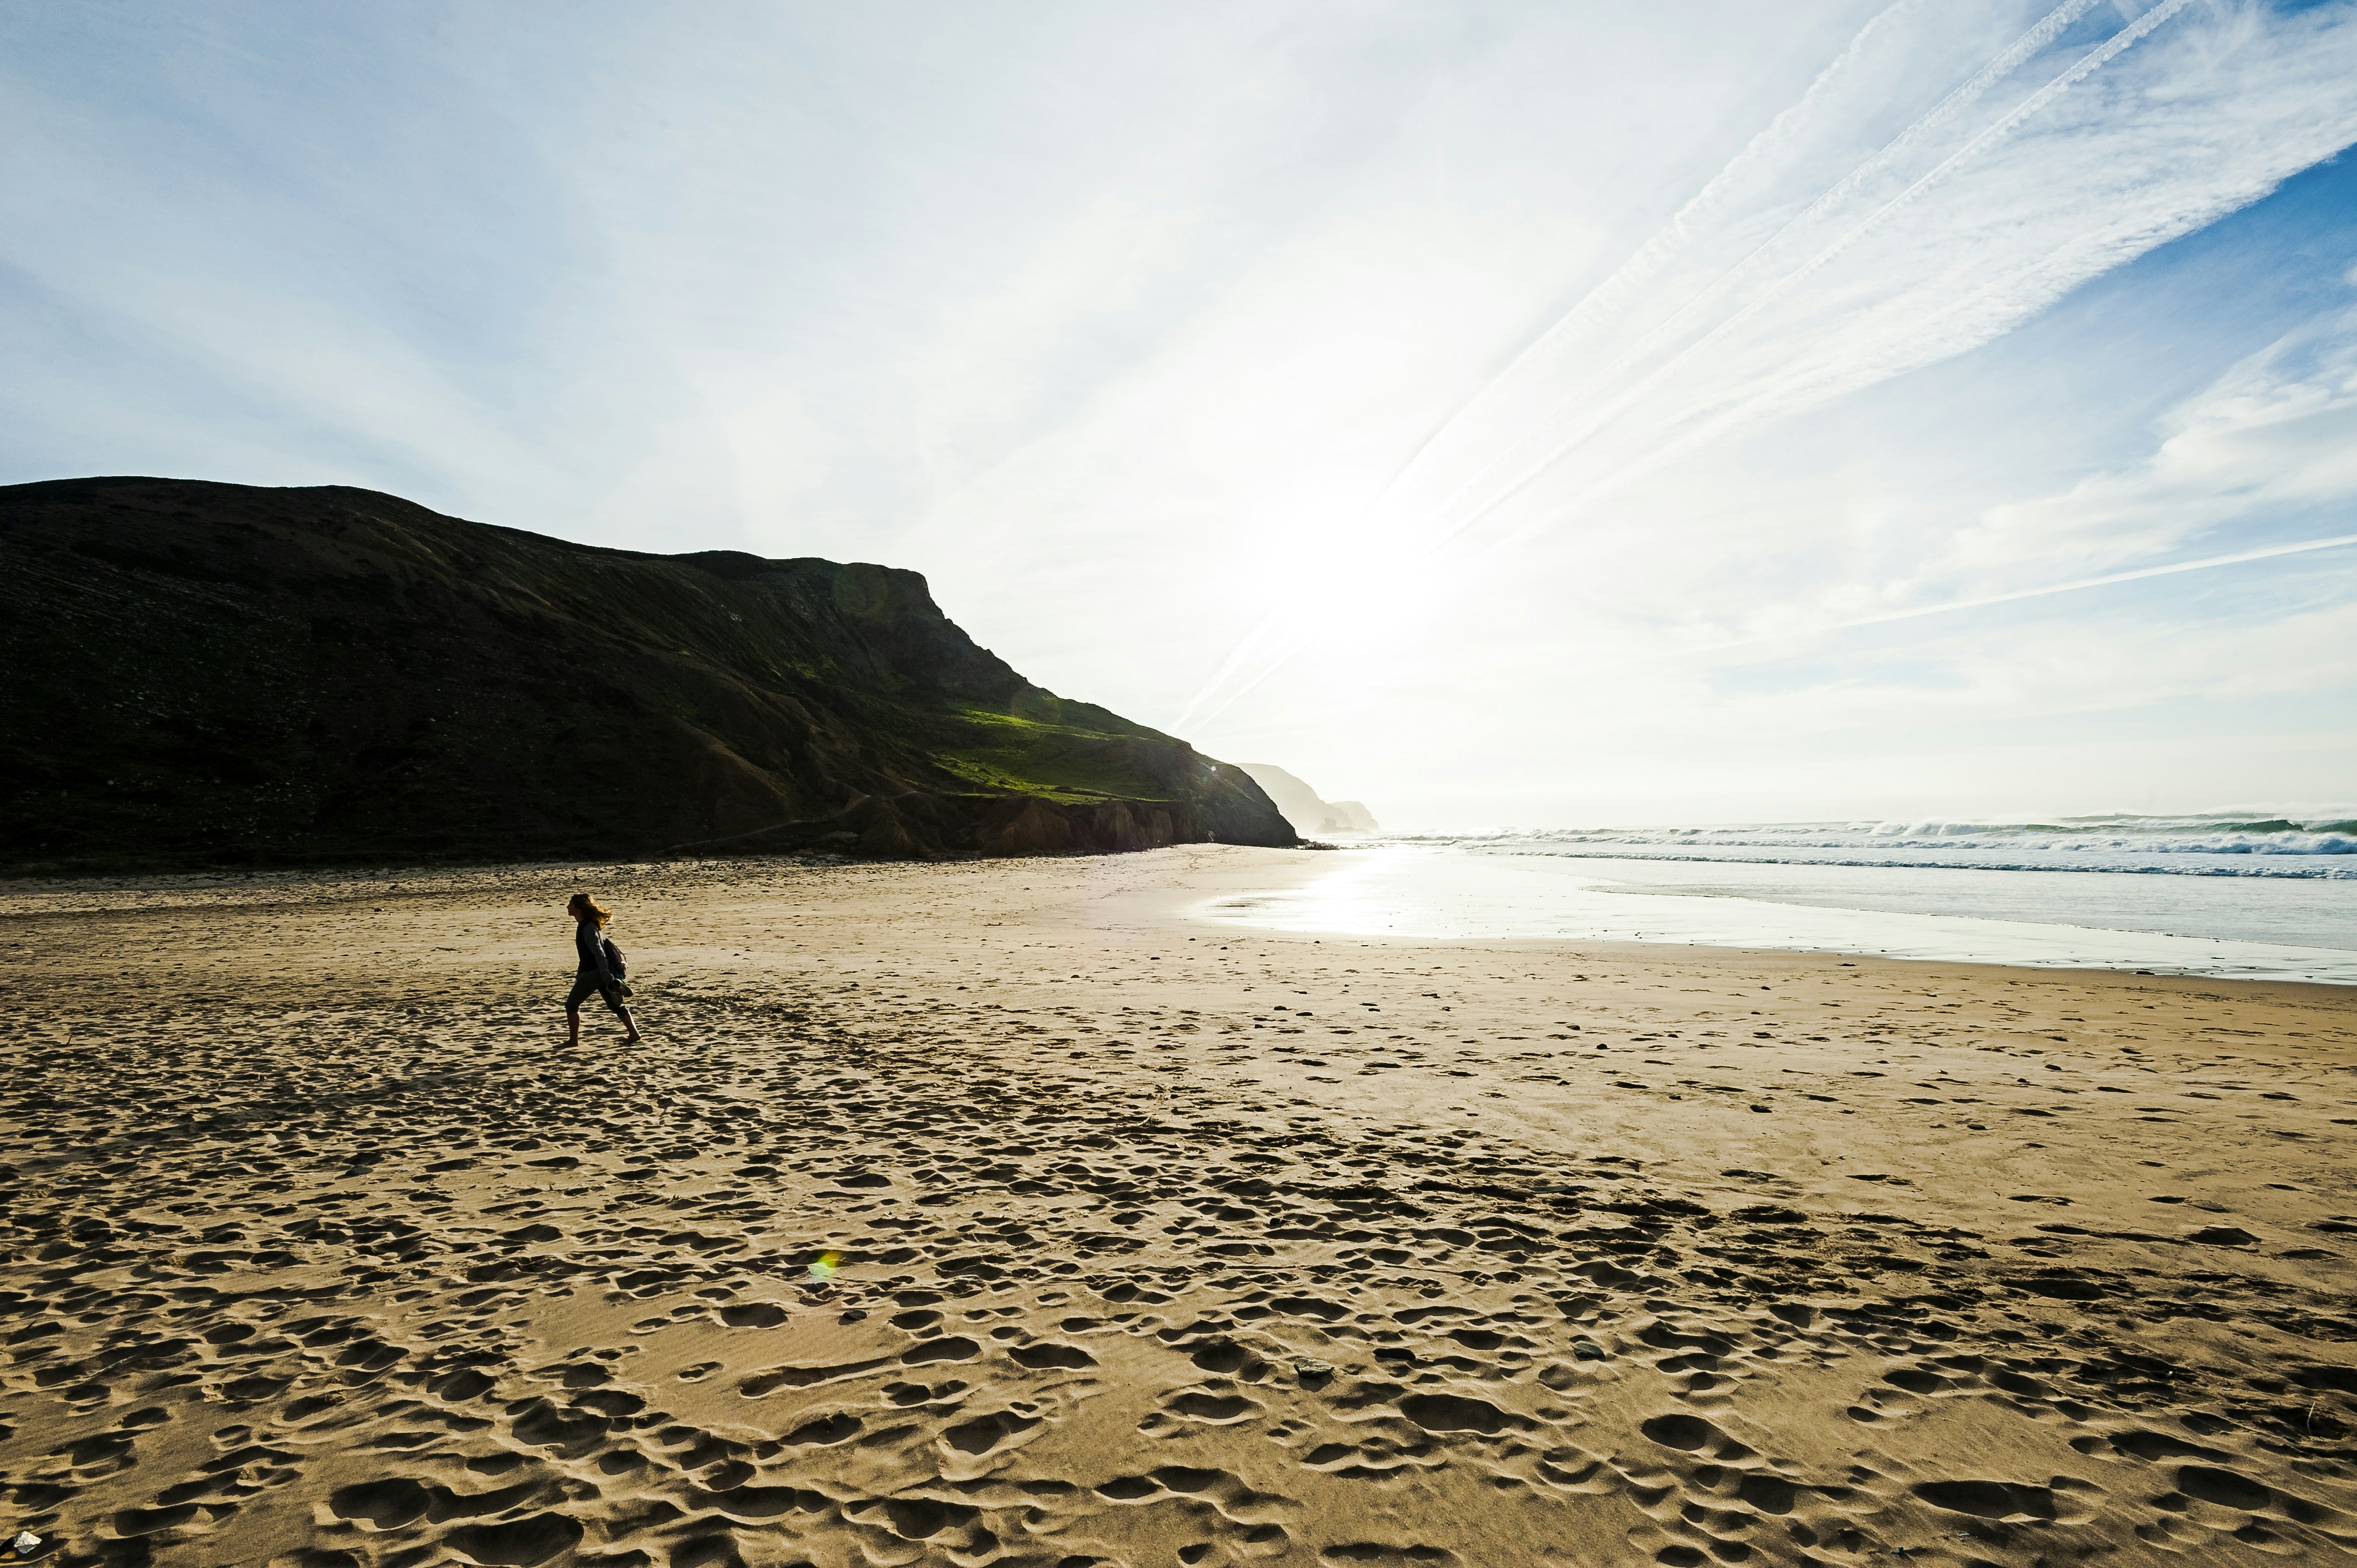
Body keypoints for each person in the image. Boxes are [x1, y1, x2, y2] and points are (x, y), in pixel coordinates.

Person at [564, 892, 642, 1047]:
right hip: (597, 972)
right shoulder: (589, 925)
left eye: (571, 904)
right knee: (616, 1006)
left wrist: (606, 975)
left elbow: (599, 953)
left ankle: (573, 1041)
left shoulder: (587, 928)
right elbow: (586, 954)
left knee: (572, 1005)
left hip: (595, 973)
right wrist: (580, 970)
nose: (568, 907)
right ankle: (634, 1034)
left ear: (578, 909)